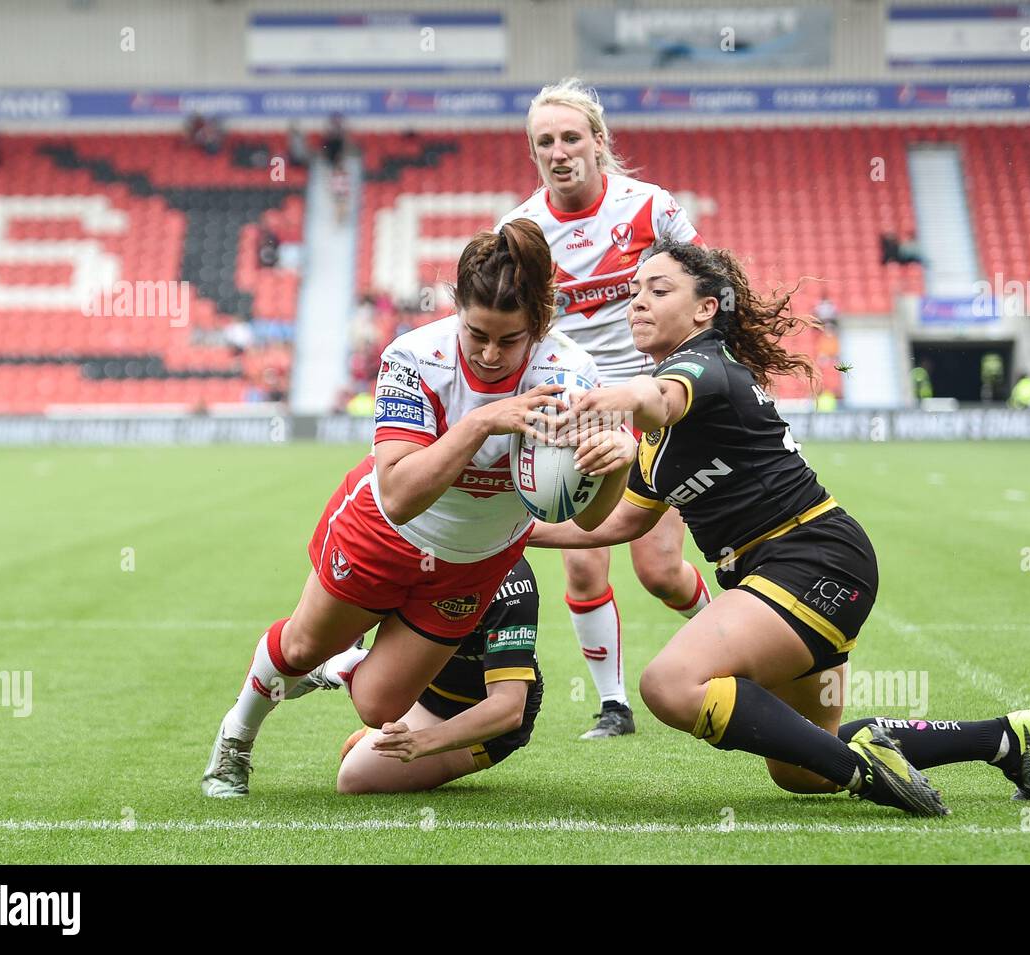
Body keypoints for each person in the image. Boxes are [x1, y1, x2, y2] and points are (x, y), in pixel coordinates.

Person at [530, 240, 1030, 815]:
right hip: (793, 573)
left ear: (706, 308)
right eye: (634, 293)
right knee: (801, 773)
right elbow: (619, 522)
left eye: (658, 291)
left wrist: (604, 399)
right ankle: (1005, 738)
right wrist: (507, 539)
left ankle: (869, 773)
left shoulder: (704, 366)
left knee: (668, 685)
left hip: (809, 560)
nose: (638, 304)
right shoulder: (666, 423)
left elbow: (653, 396)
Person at [201, 220, 637, 797]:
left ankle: (336, 670)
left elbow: (582, 518)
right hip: (382, 533)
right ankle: (235, 740)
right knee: (303, 646)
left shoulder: (572, 375)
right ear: (456, 306)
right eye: (476, 331)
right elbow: (403, 496)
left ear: (539, 324)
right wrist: (483, 419)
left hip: (475, 562)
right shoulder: (414, 357)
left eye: (509, 340)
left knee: (378, 704)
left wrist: (618, 463)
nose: (488, 353)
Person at [495, 77, 708, 738]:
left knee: (661, 571)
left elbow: (709, 286)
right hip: (575, 409)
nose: (559, 152)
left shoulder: (650, 208)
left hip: (651, 400)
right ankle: (614, 703)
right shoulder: (521, 230)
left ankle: (738, 643)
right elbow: (511, 325)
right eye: (544, 143)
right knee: (585, 560)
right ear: (534, 154)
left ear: (598, 141)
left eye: (570, 137)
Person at [286, 557, 544, 793]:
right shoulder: (412, 550)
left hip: (483, 722)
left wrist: (422, 741)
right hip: (426, 691)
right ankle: (349, 665)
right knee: (357, 770)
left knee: (354, 779)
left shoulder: (511, 580)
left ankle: (349, 668)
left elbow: (509, 708)